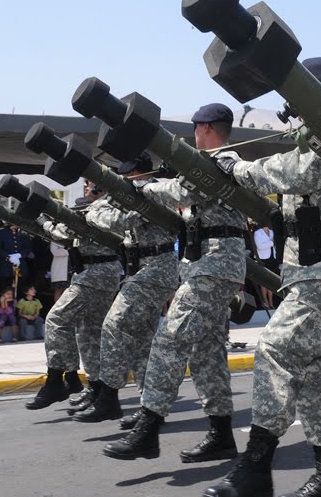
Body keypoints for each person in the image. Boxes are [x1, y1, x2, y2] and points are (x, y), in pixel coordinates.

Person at [203, 58, 321, 497]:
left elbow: (300, 173)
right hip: (309, 265)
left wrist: (238, 169)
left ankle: (255, 467)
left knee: (277, 347)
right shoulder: (319, 131)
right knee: (318, 371)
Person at [103, 107, 246, 464]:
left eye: (196, 128)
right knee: (206, 353)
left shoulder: (220, 161)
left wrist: (147, 186)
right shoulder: (207, 161)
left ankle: (149, 429)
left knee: (170, 338)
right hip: (208, 263)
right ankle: (222, 433)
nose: (193, 134)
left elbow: (181, 192)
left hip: (216, 263)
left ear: (207, 128)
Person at [73, 154, 179, 429]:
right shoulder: (129, 195)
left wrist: (120, 199)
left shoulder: (154, 192)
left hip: (157, 268)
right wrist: (109, 199)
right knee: (142, 344)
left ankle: (108, 397)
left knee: (114, 324)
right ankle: (149, 409)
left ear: (137, 175)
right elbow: (99, 218)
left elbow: (118, 221)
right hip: (140, 269)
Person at [24, 186, 120, 411]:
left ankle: (57, 379)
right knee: (88, 332)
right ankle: (95, 388)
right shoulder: (93, 208)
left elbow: (62, 234)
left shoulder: (100, 208)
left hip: (97, 273)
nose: (85, 187)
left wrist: (41, 217)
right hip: (94, 271)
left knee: (56, 319)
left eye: (88, 183)